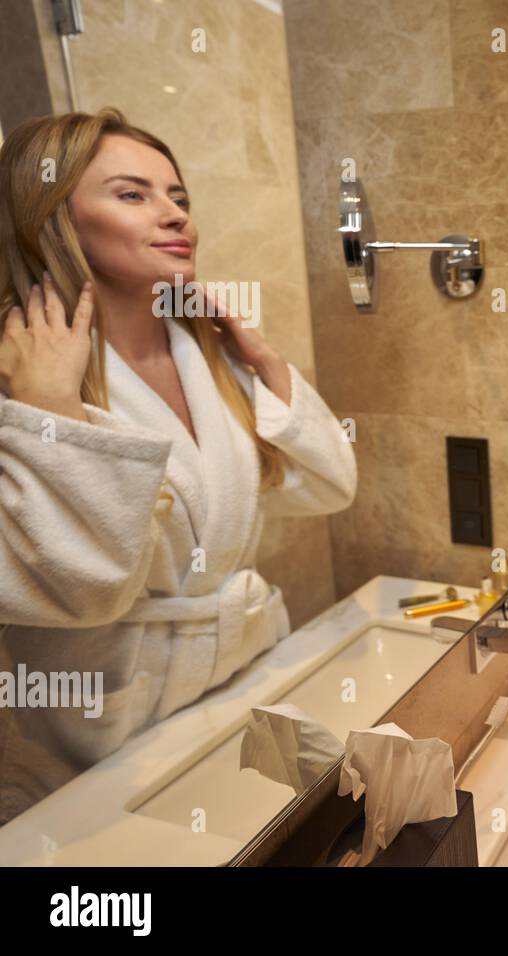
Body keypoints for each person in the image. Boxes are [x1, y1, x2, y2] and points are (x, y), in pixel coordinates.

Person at [0, 108, 357, 825]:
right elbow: (78, 590)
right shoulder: (21, 372)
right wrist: (48, 411)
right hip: (100, 742)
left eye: (179, 198)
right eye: (133, 195)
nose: (175, 217)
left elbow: (325, 487)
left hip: (238, 691)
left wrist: (266, 365)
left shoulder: (209, 357)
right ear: (54, 217)